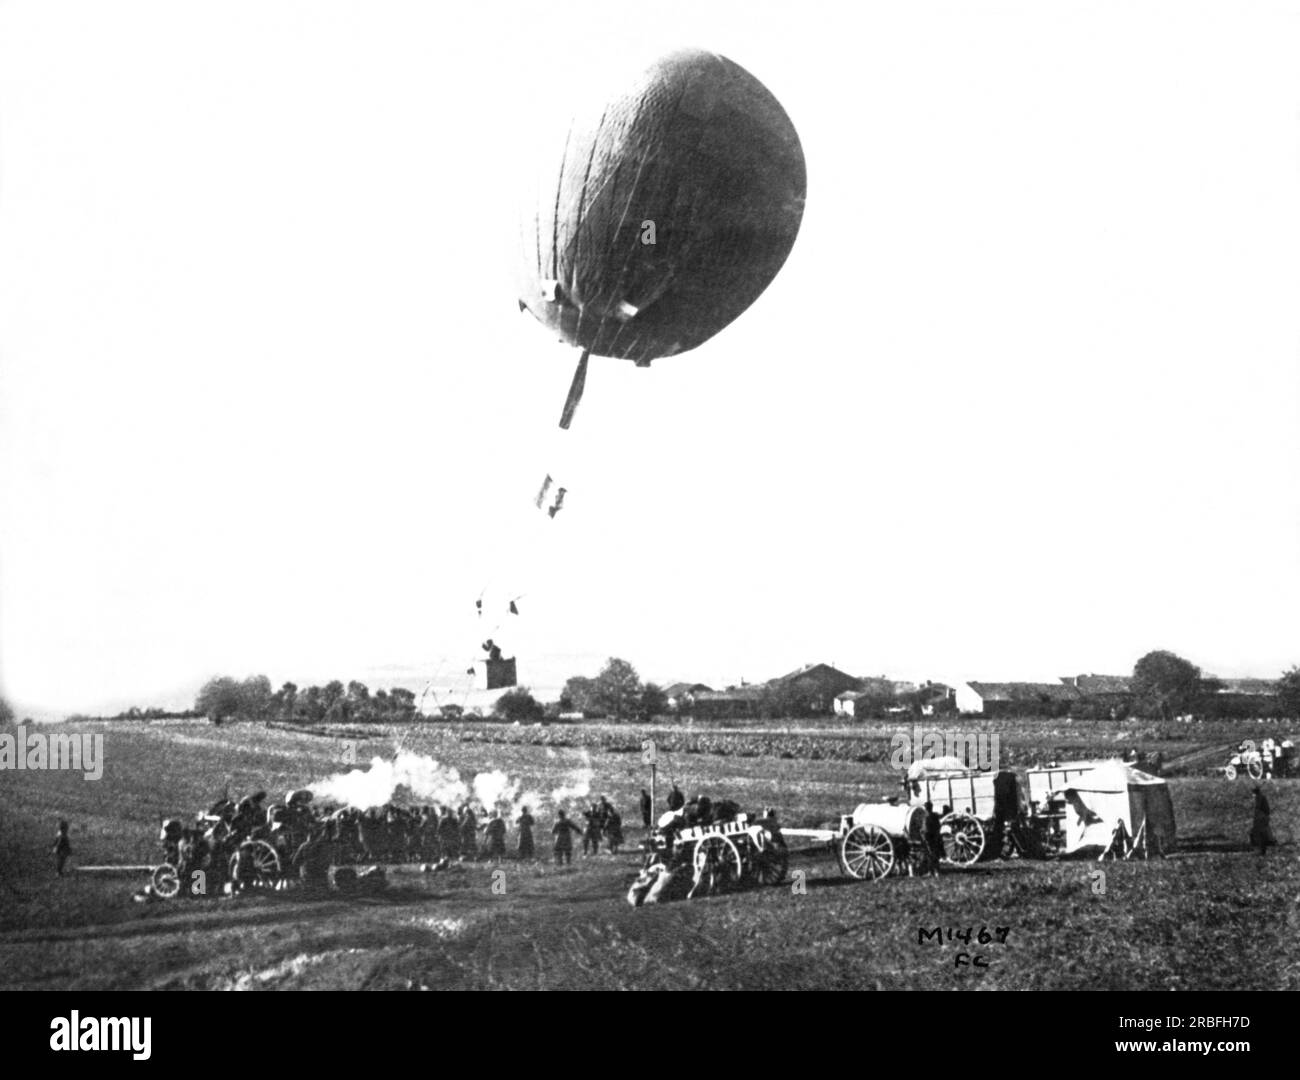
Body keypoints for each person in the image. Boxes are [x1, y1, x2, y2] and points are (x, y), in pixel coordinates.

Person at [1250, 786, 1274, 857]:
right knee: (1263, 834)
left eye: (1253, 793)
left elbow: (1258, 809)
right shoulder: (1262, 797)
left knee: (1260, 835)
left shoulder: (1259, 798)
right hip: (1264, 818)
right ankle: (1262, 850)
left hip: (1262, 819)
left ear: (1255, 793)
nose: (1252, 795)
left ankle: (1260, 851)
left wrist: (1255, 821)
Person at [924, 802, 943, 876]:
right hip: (935, 836)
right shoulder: (935, 815)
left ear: (926, 808)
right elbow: (939, 826)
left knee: (930, 854)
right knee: (935, 853)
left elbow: (925, 829)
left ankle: (933, 871)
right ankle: (936, 871)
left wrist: (924, 837)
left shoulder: (926, 817)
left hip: (928, 837)